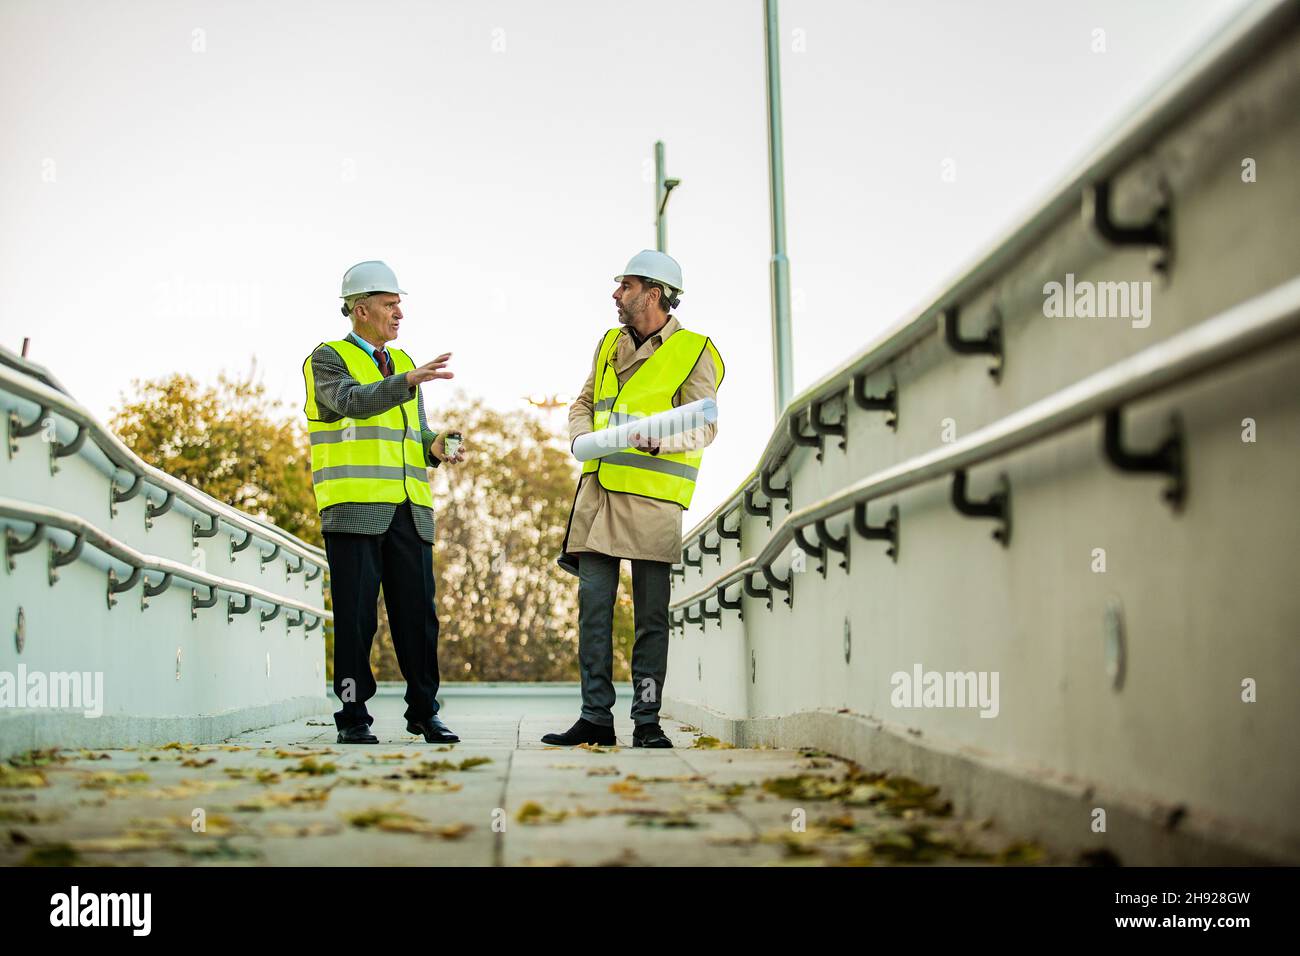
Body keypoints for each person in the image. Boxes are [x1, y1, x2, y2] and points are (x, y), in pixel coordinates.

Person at [548, 250, 724, 748]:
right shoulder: (608, 343)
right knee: (593, 610)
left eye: (623, 286)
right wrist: (581, 437)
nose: (615, 294)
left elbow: (706, 425)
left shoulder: (696, 350)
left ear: (653, 293)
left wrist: (658, 440)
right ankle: (595, 719)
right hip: (599, 493)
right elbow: (583, 403)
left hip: (653, 499)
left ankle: (647, 721)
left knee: (649, 619)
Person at [301, 260, 464, 745]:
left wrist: (434, 445)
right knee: (356, 620)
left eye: (399, 305)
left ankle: (424, 712)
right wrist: (408, 382)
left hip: (409, 510)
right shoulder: (326, 359)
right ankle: (352, 716)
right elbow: (351, 402)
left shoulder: (403, 364)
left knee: (419, 617)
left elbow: (408, 434)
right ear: (360, 309)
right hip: (354, 509)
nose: (399, 313)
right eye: (391, 304)